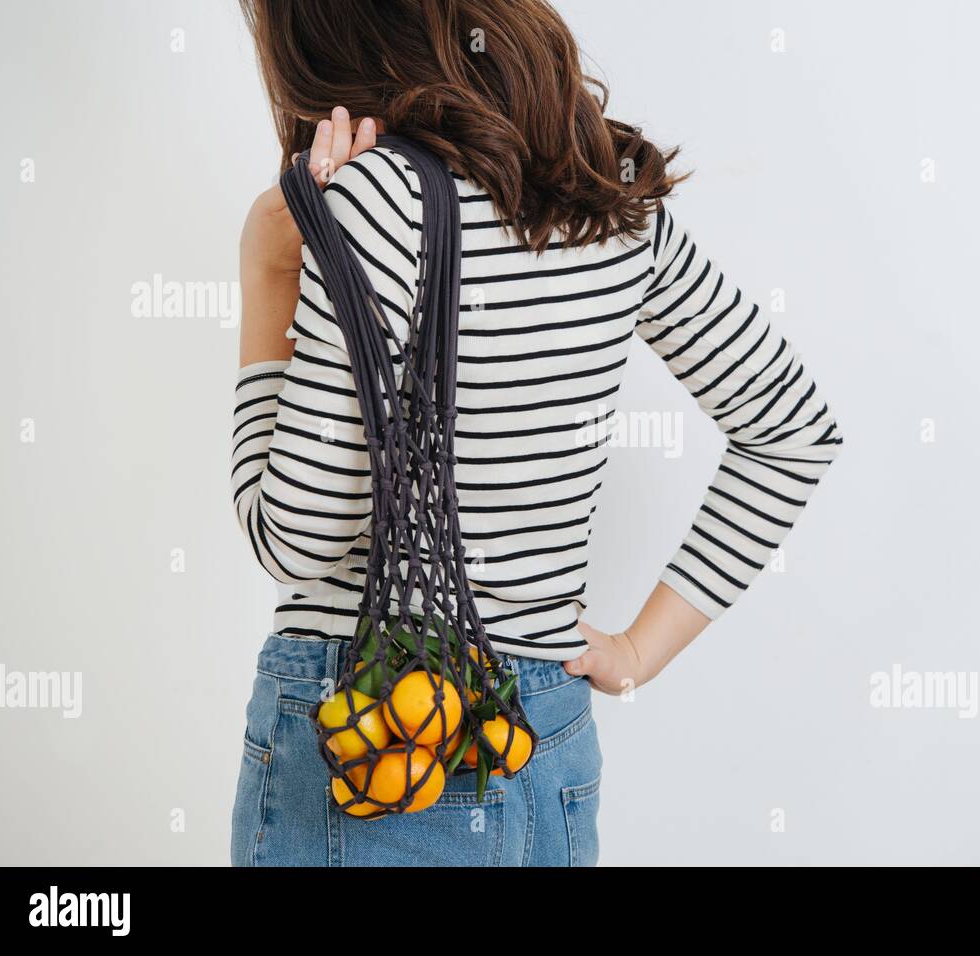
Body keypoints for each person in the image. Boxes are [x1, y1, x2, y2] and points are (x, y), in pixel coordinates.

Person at [230, 0, 841, 866]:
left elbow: (293, 542)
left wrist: (267, 277)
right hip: (545, 738)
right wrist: (636, 652)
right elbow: (792, 428)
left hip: (380, 744)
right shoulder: (612, 204)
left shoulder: (369, 197)